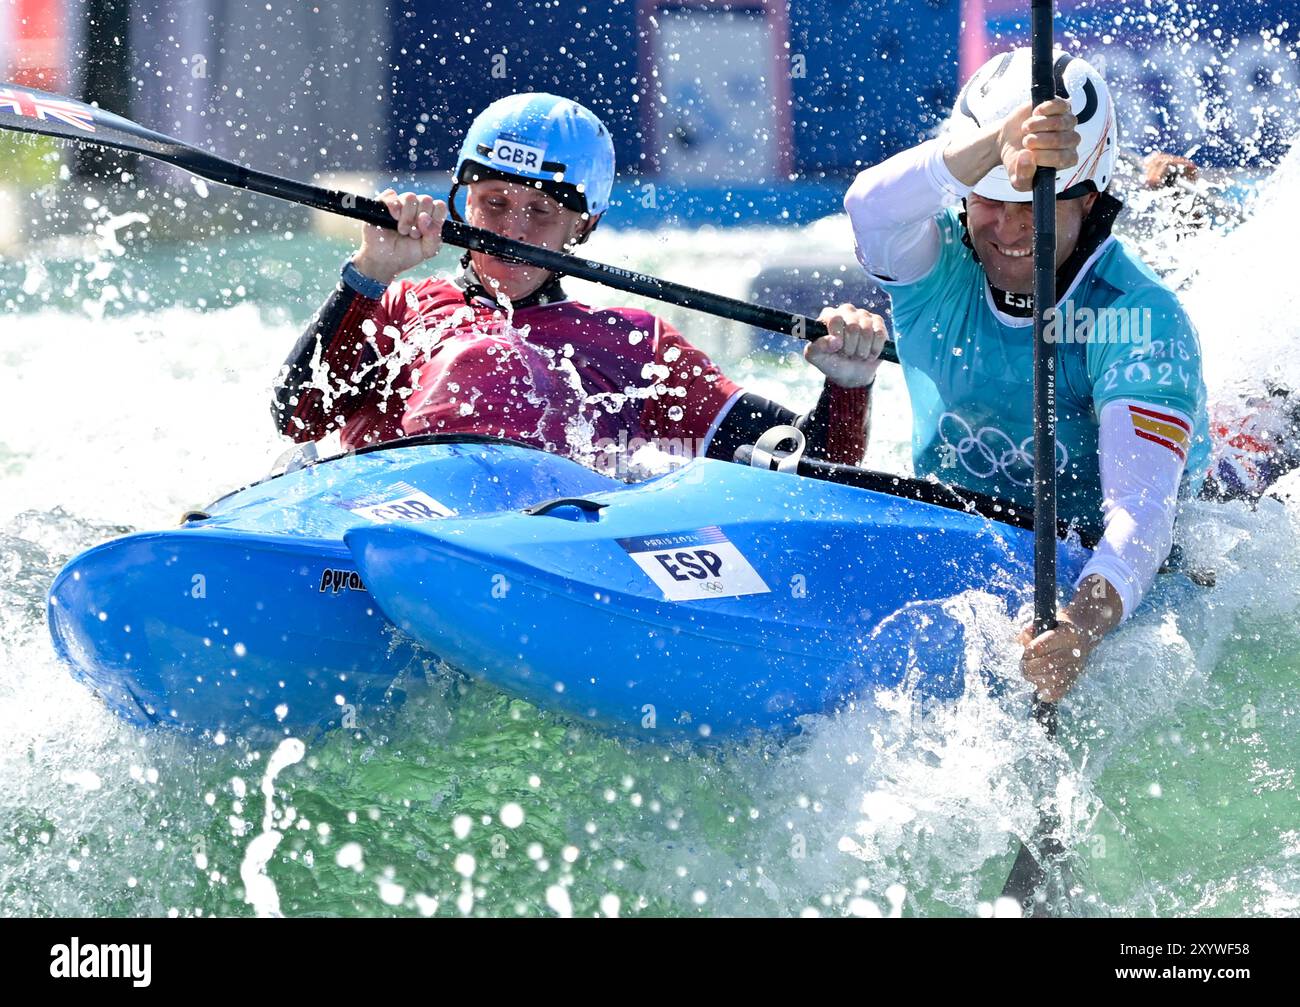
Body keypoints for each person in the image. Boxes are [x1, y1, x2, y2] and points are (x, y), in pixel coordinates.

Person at [843, 48, 1212, 702]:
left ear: (1088, 199)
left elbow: (1141, 516)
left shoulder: (1138, 317)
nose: (1008, 228)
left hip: (1116, 575)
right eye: (988, 200)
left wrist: (1078, 628)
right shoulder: (932, 265)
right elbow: (869, 206)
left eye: (1033, 205)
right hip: (961, 542)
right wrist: (991, 148)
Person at [271, 93, 887, 480]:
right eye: (493, 202)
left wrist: (847, 385)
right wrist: (369, 273)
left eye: (540, 212)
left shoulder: (639, 345)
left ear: (583, 226)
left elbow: (807, 465)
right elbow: (294, 420)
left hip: (544, 546)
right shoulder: (400, 305)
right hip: (389, 526)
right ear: (460, 201)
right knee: (483, 355)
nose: (510, 228)